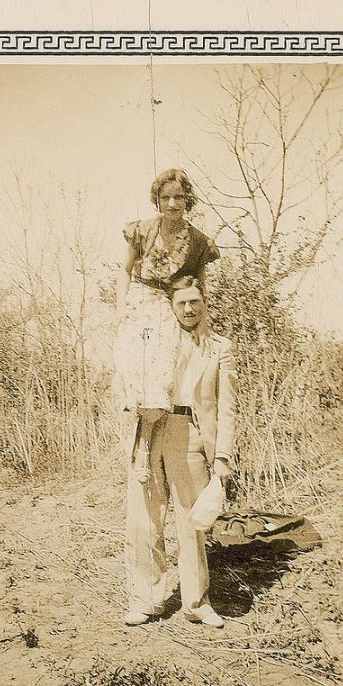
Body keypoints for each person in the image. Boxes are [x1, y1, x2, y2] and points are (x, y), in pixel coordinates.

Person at [122, 278, 236, 627]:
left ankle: (197, 602)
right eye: (181, 303)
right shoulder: (153, 341)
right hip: (151, 430)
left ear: (204, 304)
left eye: (194, 302)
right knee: (145, 520)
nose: (189, 309)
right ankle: (146, 600)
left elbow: (227, 407)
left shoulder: (220, 347)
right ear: (171, 308)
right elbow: (130, 378)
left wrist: (222, 457)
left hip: (190, 435)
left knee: (192, 521)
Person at [114, 168, 220, 482]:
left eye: (178, 197)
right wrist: (120, 306)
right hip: (139, 305)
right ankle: (135, 444)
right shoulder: (142, 230)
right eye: (165, 197)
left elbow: (201, 283)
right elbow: (124, 269)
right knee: (134, 374)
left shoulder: (198, 240)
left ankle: (148, 448)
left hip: (171, 308)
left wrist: (203, 321)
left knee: (163, 379)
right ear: (157, 200)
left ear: (188, 200)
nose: (172, 203)